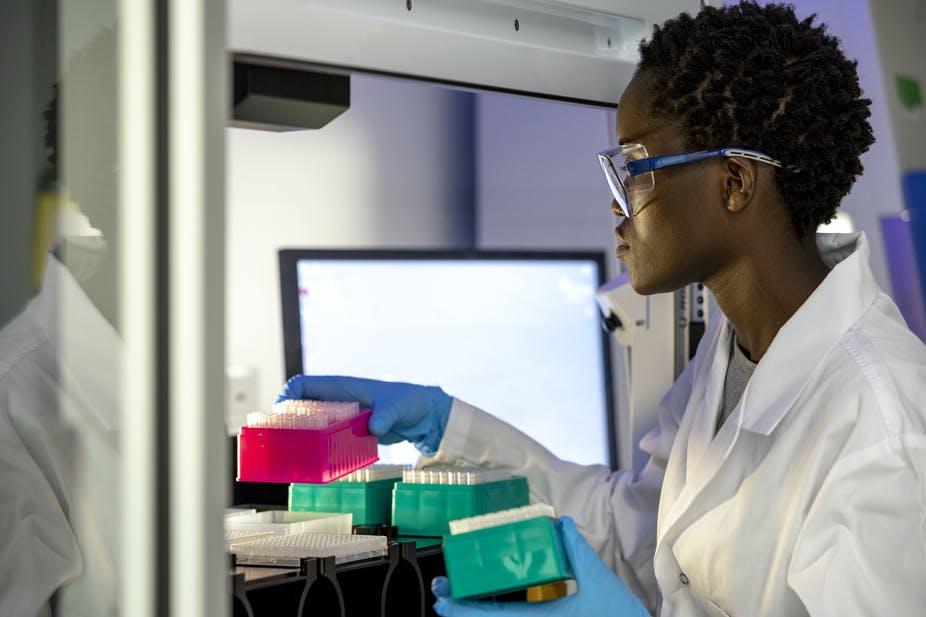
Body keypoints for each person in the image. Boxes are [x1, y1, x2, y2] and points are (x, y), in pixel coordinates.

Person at [277, 3, 926, 616]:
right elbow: (635, 541)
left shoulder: (885, 428)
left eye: (634, 167)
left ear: (733, 183)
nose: (617, 203)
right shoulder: (734, 351)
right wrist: (448, 428)